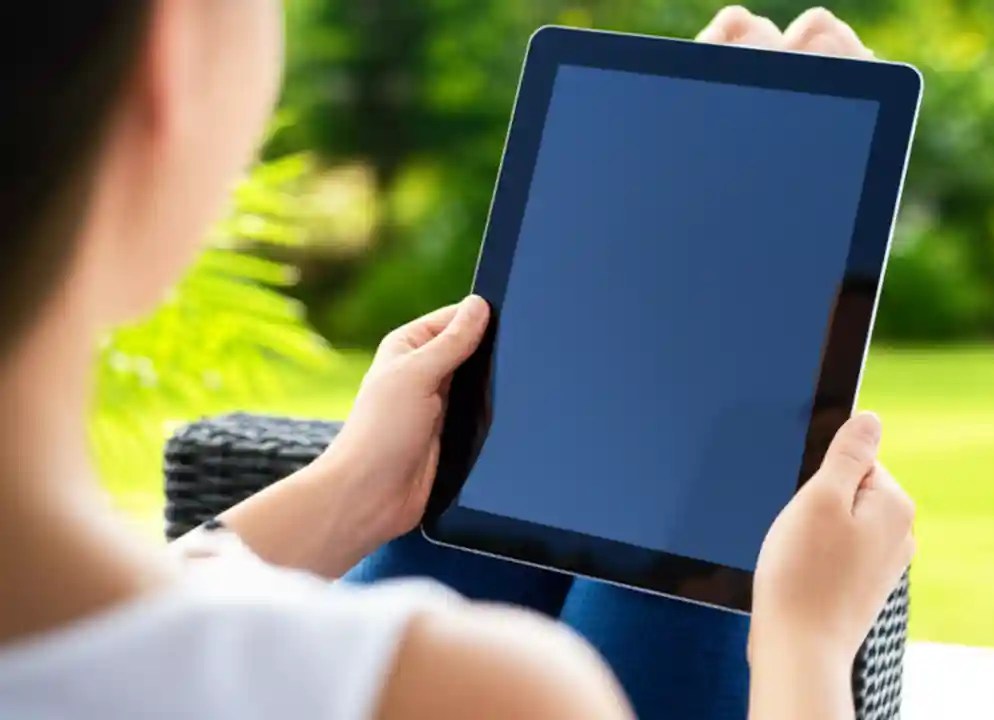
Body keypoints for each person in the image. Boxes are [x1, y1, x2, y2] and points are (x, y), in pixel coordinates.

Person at [0, 3, 914, 719]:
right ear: (169, 69)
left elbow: (119, 631)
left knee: (496, 504)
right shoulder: (486, 698)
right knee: (711, 504)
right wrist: (806, 643)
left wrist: (349, 486)